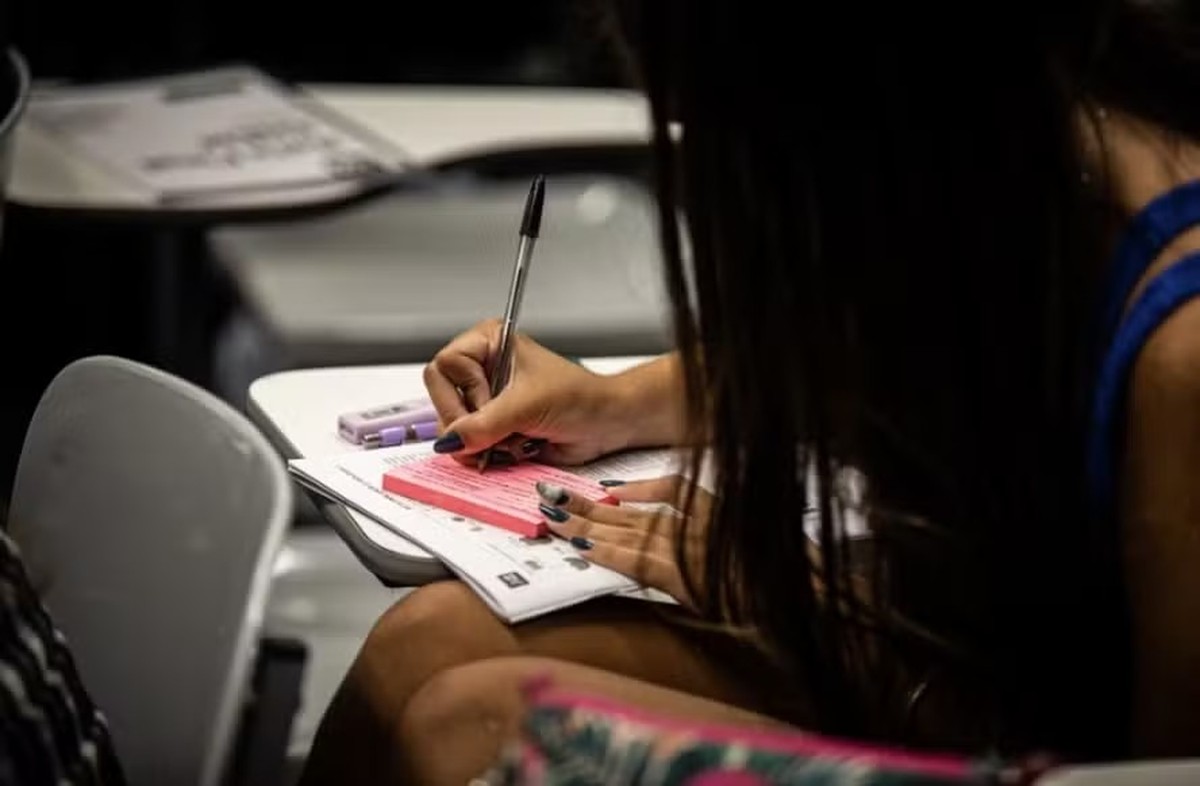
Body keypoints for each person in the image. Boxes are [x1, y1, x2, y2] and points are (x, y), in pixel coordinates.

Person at [297, 2, 1200, 783]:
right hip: (965, 651)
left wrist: (795, 600)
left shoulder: (1185, 346)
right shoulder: (1019, 165)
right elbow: (888, 361)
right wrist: (614, 402)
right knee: (417, 649)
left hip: (1051, 732)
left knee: (477, 726)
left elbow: (1134, 765)